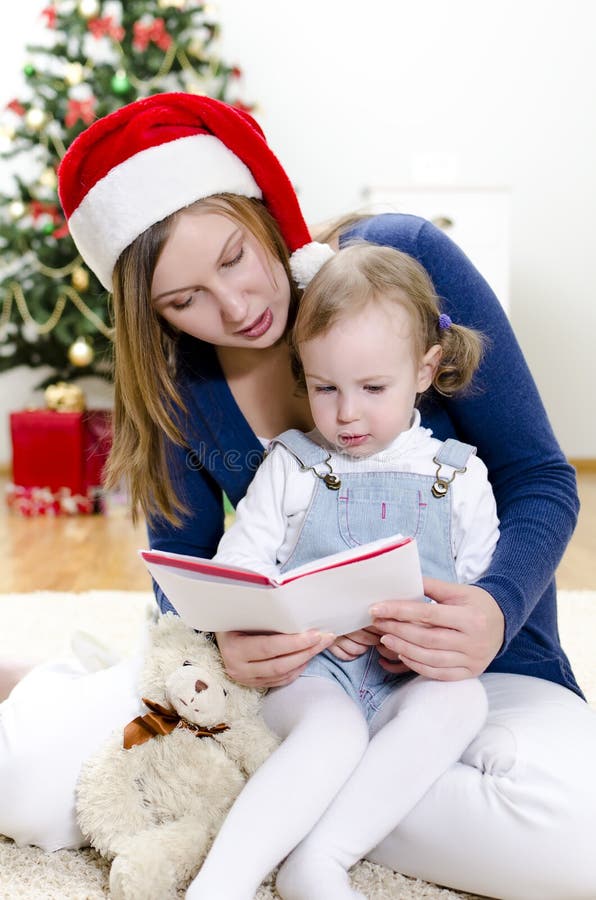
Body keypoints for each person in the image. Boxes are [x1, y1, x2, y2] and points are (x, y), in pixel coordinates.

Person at [0, 93, 594, 900]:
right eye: (183, 302)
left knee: (575, 843)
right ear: (153, 315)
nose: (236, 308)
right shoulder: (183, 382)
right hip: (302, 687)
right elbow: (183, 575)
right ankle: (119, 711)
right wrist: (225, 645)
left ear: (262, 206)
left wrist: (492, 609)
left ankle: (282, 811)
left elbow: (542, 480)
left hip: (475, 672)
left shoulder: (402, 261)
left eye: (236, 258)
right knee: (33, 792)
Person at [185, 242, 497, 900]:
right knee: (332, 732)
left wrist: (428, 630)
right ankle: (222, 884)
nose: (346, 412)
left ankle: (320, 859)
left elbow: (479, 592)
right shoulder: (294, 464)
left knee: (462, 700)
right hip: (313, 674)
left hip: (407, 679)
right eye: (325, 388)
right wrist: (296, 621)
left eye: (371, 388)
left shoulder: (459, 474)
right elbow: (243, 562)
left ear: (424, 369)